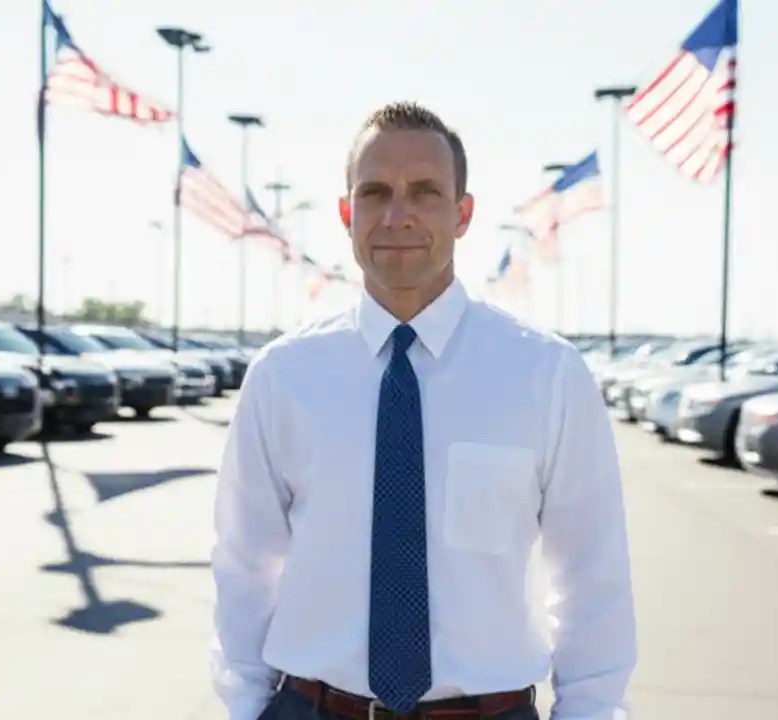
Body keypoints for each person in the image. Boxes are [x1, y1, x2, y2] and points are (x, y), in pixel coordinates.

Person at [211, 101, 635, 720]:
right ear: (345, 212)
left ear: (463, 213)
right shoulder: (284, 376)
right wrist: (246, 709)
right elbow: (245, 565)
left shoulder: (547, 376)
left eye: (426, 192)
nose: (397, 214)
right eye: (375, 191)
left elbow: (593, 578)